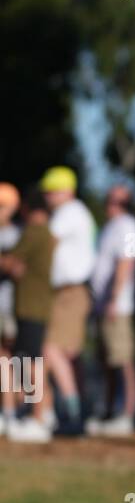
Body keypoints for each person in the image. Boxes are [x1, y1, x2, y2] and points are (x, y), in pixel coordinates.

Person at [40, 166, 96, 434]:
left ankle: (73, 413)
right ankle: (66, 410)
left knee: (50, 349)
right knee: (68, 354)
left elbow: (45, 244)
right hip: (68, 291)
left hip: (71, 291)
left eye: (52, 192)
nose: (48, 197)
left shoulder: (70, 212)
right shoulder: (75, 213)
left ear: (67, 192)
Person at [0, 189, 56, 442]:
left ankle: (39, 417)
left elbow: (13, 261)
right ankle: (35, 414)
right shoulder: (43, 232)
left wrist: (9, 263)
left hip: (31, 306)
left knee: (32, 364)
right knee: (26, 362)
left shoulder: (34, 232)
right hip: (32, 306)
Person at [87, 185, 135, 435]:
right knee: (107, 360)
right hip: (103, 304)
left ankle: (128, 414)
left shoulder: (128, 225)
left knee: (122, 360)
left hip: (117, 305)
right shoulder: (109, 227)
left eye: (115, 201)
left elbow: (127, 260)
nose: (110, 205)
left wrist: (114, 297)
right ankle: (108, 411)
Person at [0, 183, 22, 436]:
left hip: (13, 306)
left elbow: (16, 267)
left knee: (19, 358)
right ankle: (9, 410)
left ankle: (19, 410)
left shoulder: (17, 234)